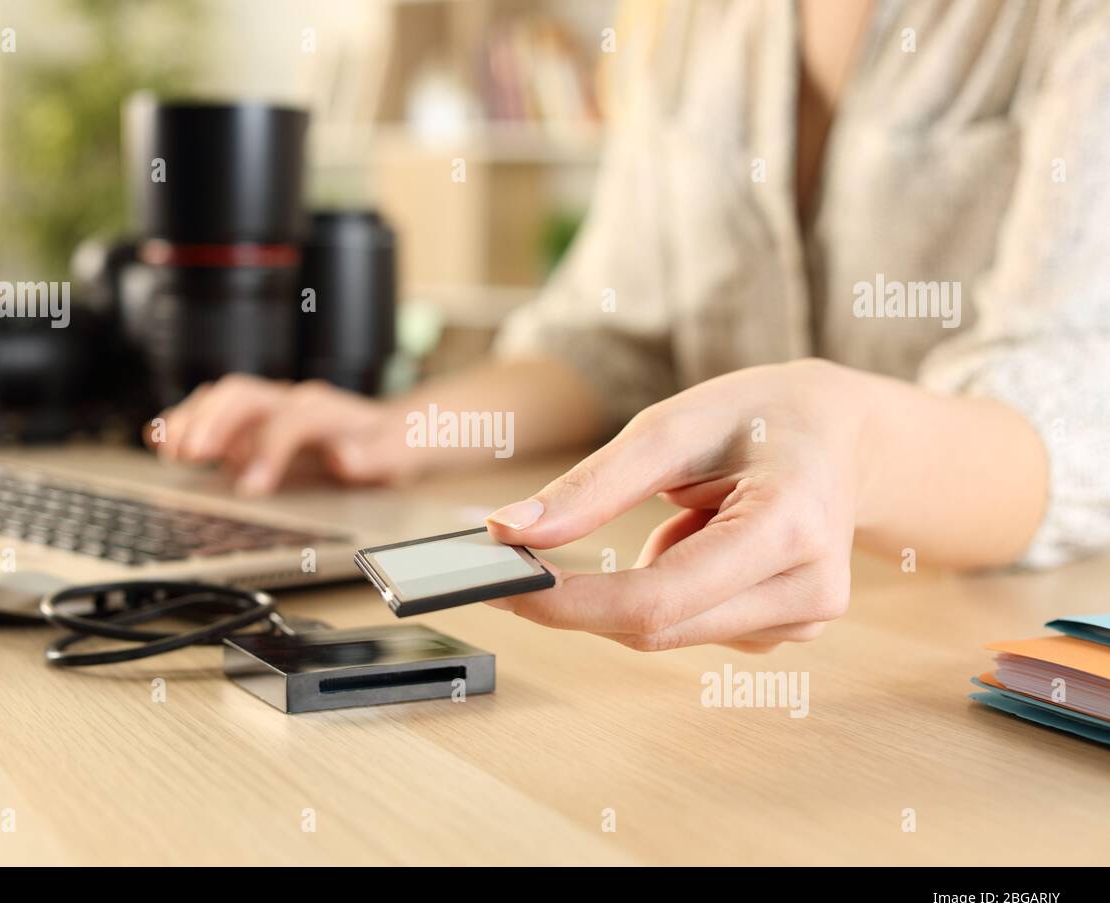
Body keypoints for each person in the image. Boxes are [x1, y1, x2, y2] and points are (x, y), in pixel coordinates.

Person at [150, 0, 1110, 652]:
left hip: (991, 651)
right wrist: (404, 429)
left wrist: (851, 443)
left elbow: (1074, 411)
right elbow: (613, 336)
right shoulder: (686, 18)